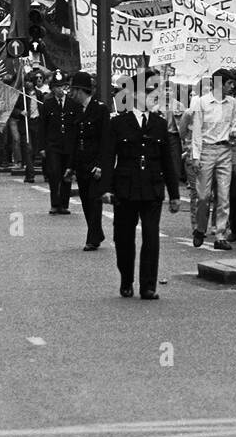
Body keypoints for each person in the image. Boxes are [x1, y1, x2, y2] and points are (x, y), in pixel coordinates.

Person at [101, 73, 181, 299]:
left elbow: (168, 161)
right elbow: (108, 157)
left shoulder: (159, 124)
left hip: (152, 188)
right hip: (125, 189)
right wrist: (106, 188)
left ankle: (148, 286)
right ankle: (126, 278)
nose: (154, 96)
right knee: (124, 238)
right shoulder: (118, 123)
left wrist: (174, 194)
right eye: (148, 91)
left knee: (151, 236)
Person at [187, 69, 236, 250]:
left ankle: (220, 235)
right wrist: (195, 156)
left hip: (225, 149)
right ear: (219, 83)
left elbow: (234, 123)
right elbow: (196, 131)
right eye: (229, 83)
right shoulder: (202, 102)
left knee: (224, 196)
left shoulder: (232, 103)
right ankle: (200, 229)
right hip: (206, 151)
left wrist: (234, 133)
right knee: (203, 196)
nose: (232, 86)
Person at [68, 71, 110, 250]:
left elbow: (106, 140)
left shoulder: (100, 109)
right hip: (81, 162)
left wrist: (102, 165)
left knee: (94, 200)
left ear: (80, 90)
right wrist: (70, 166)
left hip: (95, 163)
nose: (71, 94)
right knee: (86, 201)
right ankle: (97, 233)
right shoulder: (76, 109)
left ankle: (92, 238)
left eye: (73, 90)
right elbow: (74, 140)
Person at [39, 71, 79, 211]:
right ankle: (55, 203)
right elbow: (42, 126)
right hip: (53, 145)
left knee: (66, 174)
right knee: (54, 173)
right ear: (52, 88)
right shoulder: (48, 104)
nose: (60, 89)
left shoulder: (73, 104)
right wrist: (42, 147)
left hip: (68, 144)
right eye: (57, 87)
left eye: (62, 86)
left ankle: (64, 204)